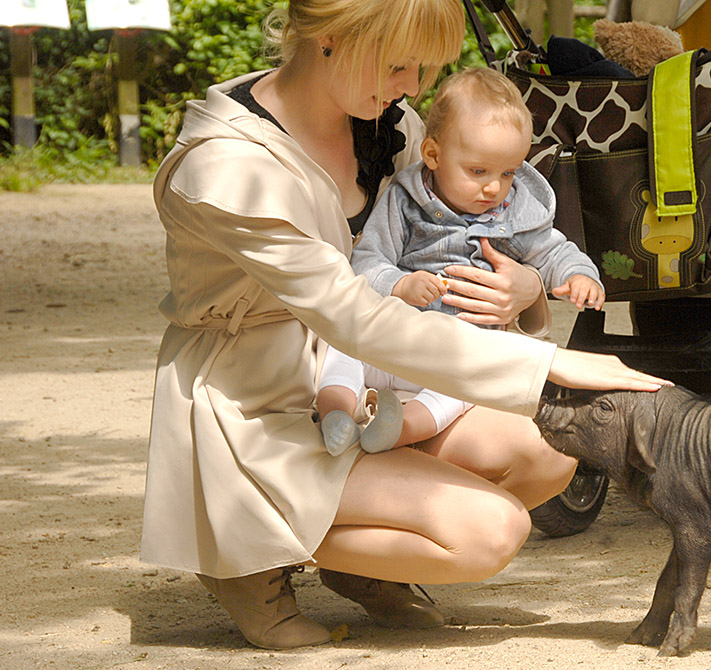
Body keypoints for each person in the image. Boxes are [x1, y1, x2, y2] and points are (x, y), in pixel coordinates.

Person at [141, 0, 666, 652]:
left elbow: (450, 248)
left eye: (421, 66)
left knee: (552, 443)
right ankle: (245, 557)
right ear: (330, 37)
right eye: (399, 63)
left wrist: (524, 290)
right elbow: (353, 313)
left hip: (381, 384)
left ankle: (358, 561)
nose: (414, 85)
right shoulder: (224, 169)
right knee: (490, 532)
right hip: (263, 406)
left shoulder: (391, 124)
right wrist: (546, 365)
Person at [318, 67, 606, 455]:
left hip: (461, 354)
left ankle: (403, 427)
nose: (494, 187)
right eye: (478, 171)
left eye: (508, 172)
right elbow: (368, 260)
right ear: (433, 154)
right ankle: (336, 409)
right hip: (396, 339)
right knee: (342, 343)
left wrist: (579, 274)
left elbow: (553, 248)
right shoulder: (404, 201)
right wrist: (399, 284)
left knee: (466, 384)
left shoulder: (514, 210)